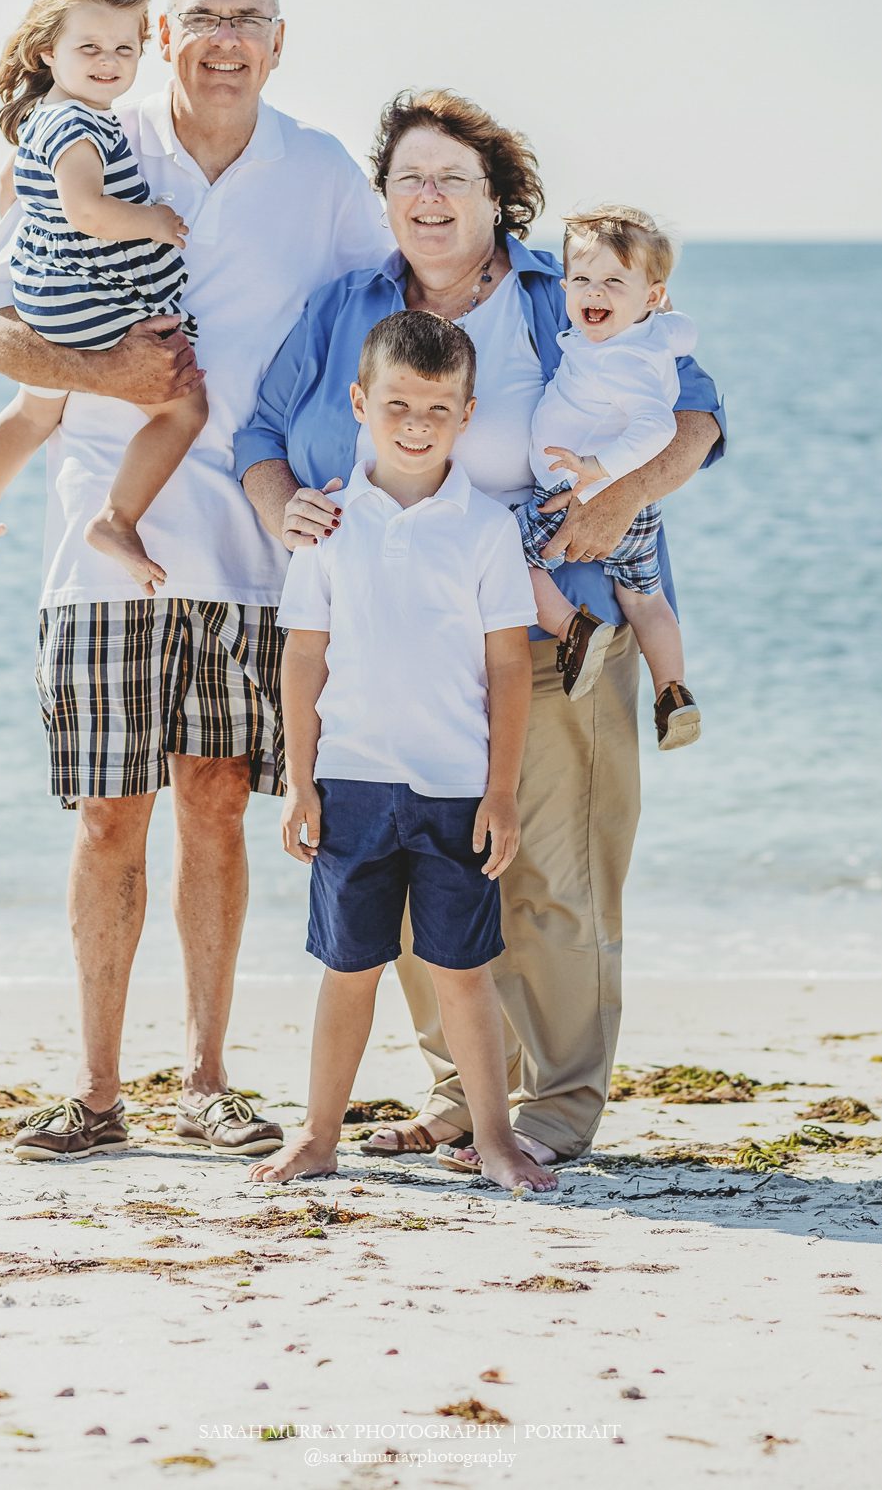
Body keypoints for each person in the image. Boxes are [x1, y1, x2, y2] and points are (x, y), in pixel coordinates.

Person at [235, 89, 725, 1170]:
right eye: (409, 177)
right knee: (425, 878)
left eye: (455, 177)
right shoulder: (347, 306)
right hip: (400, 655)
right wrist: (286, 511)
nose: (430, 197)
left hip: (560, 635)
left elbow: (697, 414)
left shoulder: (567, 295)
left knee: (553, 873)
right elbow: (262, 432)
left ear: (501, 199)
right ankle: (467, 1091)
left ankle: (556, 1106)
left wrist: (617, 502)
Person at [0, 0, 387, 1162]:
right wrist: (105, 372)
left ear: (280, 39)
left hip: (258, 540)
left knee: (216, 808)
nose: (226, 35)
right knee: (108, 815)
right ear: (165, 33)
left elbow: (394, 312)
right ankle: (98, 1093)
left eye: (250, 15)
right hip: (107, 520)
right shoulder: (100, 135)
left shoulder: (319, 172)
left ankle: (206, 1081)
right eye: (204, 12)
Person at [250, 311, 556, 1193]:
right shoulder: (329, 526)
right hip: (349, 787)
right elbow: (302, 654)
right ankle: (317, 1138)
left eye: (436, 406)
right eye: (397, 404)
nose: (416, 423)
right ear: (360, 402)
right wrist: (295, 782)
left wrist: (501, 794)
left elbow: (507, 663)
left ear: (466, 414)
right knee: (350, 972)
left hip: (457, 790)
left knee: (463, 973)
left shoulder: (487, 529)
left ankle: (495, 1139)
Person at [0, 0, 205, 596]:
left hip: (47, 297)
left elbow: (12, 197)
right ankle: (117, 519)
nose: (108, 62)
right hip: (85, 299)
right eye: (89, 48)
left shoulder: (43, 118)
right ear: (49, 52)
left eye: (124, 48)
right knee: (184, 409)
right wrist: (152, 222)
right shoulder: (80, 126)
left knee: (36, 409)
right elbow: (85, 210)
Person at [512, 204, 702, 750]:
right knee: (645, 599)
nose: (594, 293)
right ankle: (673, 693)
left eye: (614, 282)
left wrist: (598, 468)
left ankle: (573, 627)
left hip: (574, 496)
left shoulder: (616, 361)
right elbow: (684, 333)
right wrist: (663, 319)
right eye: (582, 280)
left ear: (650, 295)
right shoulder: (655, 334)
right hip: (638, 512)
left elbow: (657, 424)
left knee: (507, 551)